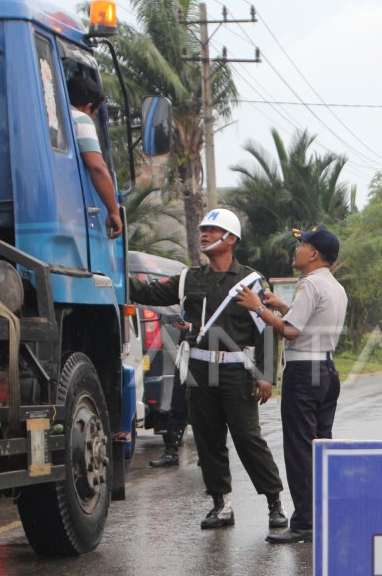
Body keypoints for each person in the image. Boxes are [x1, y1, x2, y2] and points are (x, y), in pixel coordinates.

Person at [129, 209, 286, 531]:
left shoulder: (251, 281)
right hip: (199, 369)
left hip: (237, 371)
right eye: (203, 229)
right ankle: (221, 504)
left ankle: (274, 502)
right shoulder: (189, 278)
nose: (205, 234)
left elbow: (267, 330)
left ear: (231, 239)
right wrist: (114, 271)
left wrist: (265, 375)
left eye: (213, 230)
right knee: (208, 438)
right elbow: (149, 292)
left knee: (247, 438)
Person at [237, 225, 348, 545]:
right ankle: (322, 516)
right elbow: (308, 322)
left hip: (304, 372)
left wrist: (258, 307)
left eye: (302, 245)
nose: (296, 249)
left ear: (314, 254)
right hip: (327, 369)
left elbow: (291, 331)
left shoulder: (309, 284)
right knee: (321, 448)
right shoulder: (334, 286)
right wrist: (281, 307)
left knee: (300, 450)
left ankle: (303, 524)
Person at [67, 75, 123, 239]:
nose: (92, 118)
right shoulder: (80, 119)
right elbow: (97, 168)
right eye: (94, 114)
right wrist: (113, 211)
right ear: (89, 106)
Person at [148, 316, 190, 468]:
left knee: (207, 408)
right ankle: (171, 453)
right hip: (187, 353)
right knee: (178, 403)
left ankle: (210, 454)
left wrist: (192, 326)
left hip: (209, 355)